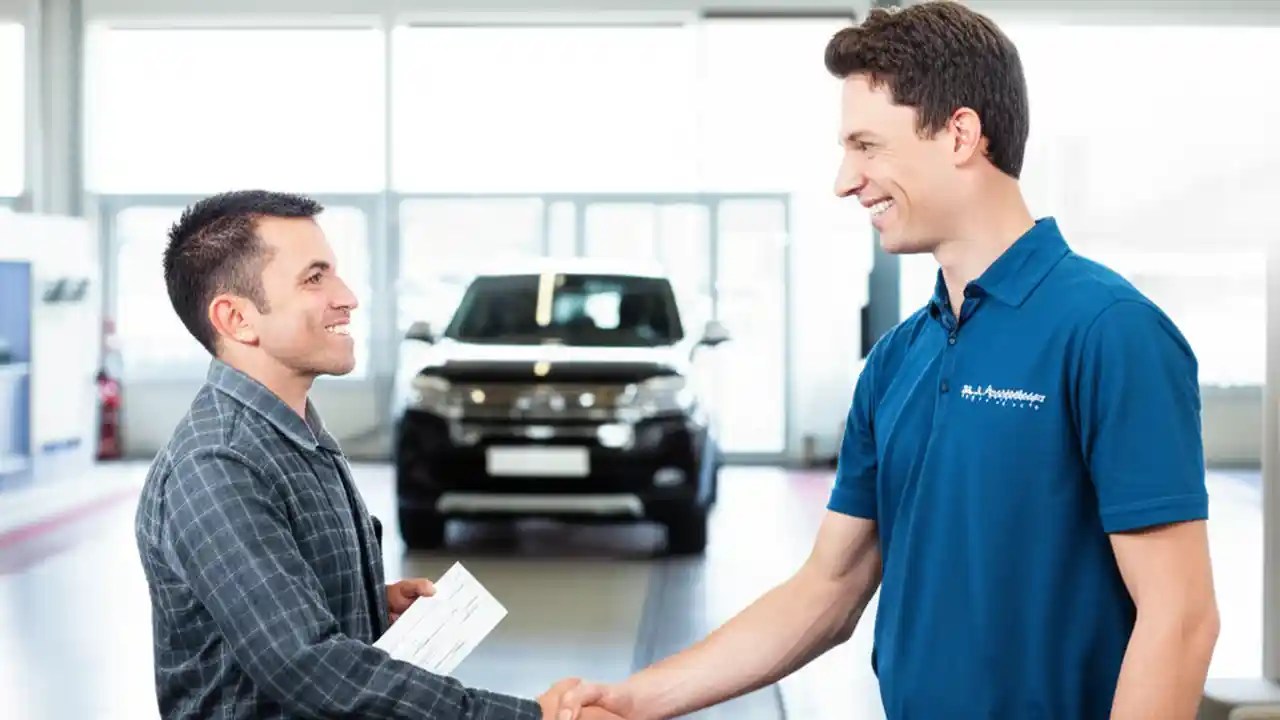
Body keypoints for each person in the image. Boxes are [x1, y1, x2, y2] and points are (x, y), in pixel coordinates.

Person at [552, 3, 1220, 719]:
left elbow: (1180, 619)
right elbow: (827, 589)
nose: (846, 179)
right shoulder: (899, 359)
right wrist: (633, 699)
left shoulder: (1109, 332)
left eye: (867, 145)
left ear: (960, 134)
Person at [133, 190, 619, 720]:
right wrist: (531, 718)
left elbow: (279, 620)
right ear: (237, 319)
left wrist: (363, 602)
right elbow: (308, 667)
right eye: (314, 278)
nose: (346, 297)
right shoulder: (218, 465)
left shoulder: (294, 434)